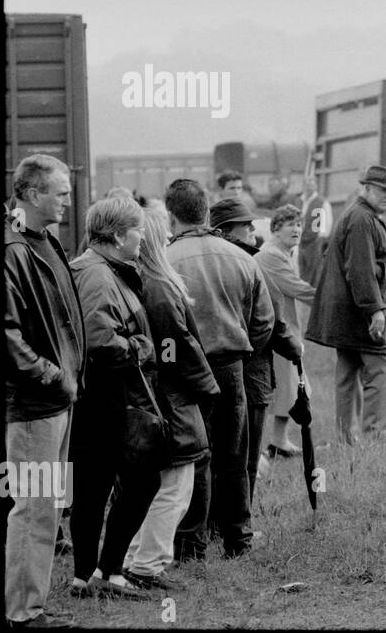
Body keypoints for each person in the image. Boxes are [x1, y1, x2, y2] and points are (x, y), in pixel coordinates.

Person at [166, 179, 274, 560]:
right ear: (206, 210)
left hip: (185, 370)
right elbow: (264, 321)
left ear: (171, 214)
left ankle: (192, 544)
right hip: (232, 367)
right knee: (234, 455)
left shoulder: (166, 261)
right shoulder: (243, 258)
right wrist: (244, 351)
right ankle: (238, 537)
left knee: (194, 455)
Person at [4, 154, 86, 627]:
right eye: (60, 193)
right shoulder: (13, 250)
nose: (68, 201)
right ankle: (21, 613)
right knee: (34, 511)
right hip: (37, 403)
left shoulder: (42, 240)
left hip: (56, 401)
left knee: (47, 507)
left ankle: (28, 604)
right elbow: (3, 336)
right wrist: (53, 375)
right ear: (32, 194)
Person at [68, 197, 159, 600]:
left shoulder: (99, 269)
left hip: (101, 397)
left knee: (95, 487)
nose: (142, 237)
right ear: (119, 235)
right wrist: (140, 346)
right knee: (133, 481)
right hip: (104, 398)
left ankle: (88, 574)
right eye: (137, 230)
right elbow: (101, 342)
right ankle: (104, 572)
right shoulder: (98, 276)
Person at [122, 207, 216, 591]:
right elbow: (173, 346)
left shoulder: (141, 281)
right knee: (175, 486)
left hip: (157, 394)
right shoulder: (160, 288)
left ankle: (134, 558)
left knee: (157, 485)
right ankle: (148, 565)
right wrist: (202, 384)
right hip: (170, 399)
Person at [211, 197, 303, 499]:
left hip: (215, 373)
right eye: (246, 225)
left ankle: (59, 527)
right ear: (225, 231)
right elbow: (270, 321)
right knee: (244, 454)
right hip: (249, 372)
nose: (253, 229)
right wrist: (287, 347)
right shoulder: (250, 263)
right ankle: (238, 529)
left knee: (220, 452)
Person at [306, 165, 386, 445]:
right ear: (366, 189)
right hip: (360, 312)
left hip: (347, 312)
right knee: (381, 368)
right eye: (382, 190)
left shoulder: (360, 215)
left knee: (348, 372)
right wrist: (375, 310)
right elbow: (361, 270)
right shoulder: (361, 219)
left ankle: (348, 440)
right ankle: (379, 438)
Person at [256, 204, 318, 458]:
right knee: (285, 387)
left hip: (284, 328)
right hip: (274, 332)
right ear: (275, 228)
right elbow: (298, 289)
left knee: (289, 386)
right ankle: (266, 446)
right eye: (290, 224)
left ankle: (278, 441)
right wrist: (333, 302)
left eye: (299, 224)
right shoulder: (271, 254)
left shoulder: (285, 252)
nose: (296, 229)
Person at [298, 179, 333, 296]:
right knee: (300, 268)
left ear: (316, 186)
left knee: (314, 269)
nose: (309, 187)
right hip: (300, 241)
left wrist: (322, 236)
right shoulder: (299, 200)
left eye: (311, 184)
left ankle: (313, 293)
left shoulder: (321, 202)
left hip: (314, 241)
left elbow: (327, 221)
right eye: (306, 184)